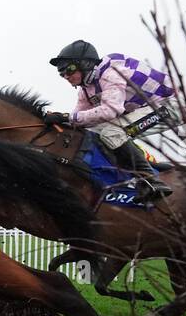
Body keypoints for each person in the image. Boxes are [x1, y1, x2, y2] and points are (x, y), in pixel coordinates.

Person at [43, 40, 177, 201]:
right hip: (144, 108)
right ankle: (152, 167)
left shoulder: (110, 73)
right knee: (92, 133)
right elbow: (79, 119)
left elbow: (110, 111)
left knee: (112, 133)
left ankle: (151, 181)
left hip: (169, 106)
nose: (66, 76)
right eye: (61, 72)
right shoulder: (86, 88)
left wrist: (66, 117)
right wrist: (62, 120)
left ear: (85, 64)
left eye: (69, 69)